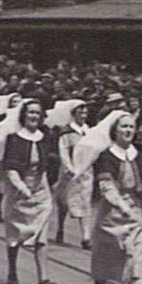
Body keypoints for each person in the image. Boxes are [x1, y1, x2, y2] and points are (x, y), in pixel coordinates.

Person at [74, 111, 142, 284]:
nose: (128, 131)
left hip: (134, 217)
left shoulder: (141, 158)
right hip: (110, 216)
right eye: (123, 127)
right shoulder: (106, 157)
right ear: (114, 131)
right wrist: (121, 205)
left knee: (136, 262)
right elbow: (106, 188)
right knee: (104, 261)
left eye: (131, 127)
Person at [0, 98, 58, 284]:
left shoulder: (44, 137)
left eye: (37, 113)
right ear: (24, 115)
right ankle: (13, 269)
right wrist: (21, 187)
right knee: (16, 235)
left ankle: (43, 279)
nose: (34, 116)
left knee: (41, 236)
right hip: (19, 191)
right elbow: (11, 169)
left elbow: (48, 164)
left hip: (41, 192)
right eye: (30, 112)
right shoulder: (14, 138)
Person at [46, 99, 93, 249]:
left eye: (85, 112)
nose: (83, 115)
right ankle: (60, 228)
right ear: (73, 114)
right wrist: (68, 167)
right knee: (64, 202)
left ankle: (86, 236)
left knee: (85, 202)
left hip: (86, 171)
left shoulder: (88, 130)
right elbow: (63, 151)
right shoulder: (66, 132)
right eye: (80, 112)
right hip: (70, 172)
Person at [0, 92, 23, 222]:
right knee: (0, 180)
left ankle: (14, 209)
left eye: (19, 102)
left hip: (17, 151)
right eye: (14, 102)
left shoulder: (23, 118)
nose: (16, 104)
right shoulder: (3, 117)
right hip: (3, 149)